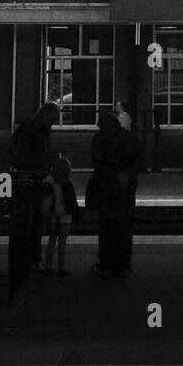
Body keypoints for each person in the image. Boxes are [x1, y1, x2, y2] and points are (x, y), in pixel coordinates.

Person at [90, 110, 144, 279]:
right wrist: (126, 175)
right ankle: (123, 263)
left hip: (106, 189)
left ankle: (106, 262)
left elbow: (97, 162)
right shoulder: (130, 139)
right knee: (124, 227)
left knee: (106, 228)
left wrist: (111, 174)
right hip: (125, 189)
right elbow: (139, 161)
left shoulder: (99, 139)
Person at [11, 102, 60, 268]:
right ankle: (33, 258)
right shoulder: (38, 133)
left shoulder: (27, 129)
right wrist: (45, 168)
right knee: (35, 221)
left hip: (26, 178)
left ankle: (26, 257)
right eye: (52, 121)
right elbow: (36, 156)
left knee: (28, 221)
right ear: (47, 118)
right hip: (33, 179)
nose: (52, 125)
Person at [40, 154, 79, 276]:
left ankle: (48, 265)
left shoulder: (50, 183)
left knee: (51, 241)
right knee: (62, 243)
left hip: (53, 215)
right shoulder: (68, 184)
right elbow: (72, 202)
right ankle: (61, 267)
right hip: (65, 216)